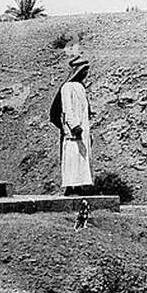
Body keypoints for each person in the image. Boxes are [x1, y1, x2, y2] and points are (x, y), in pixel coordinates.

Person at [51, 54, 93, 195]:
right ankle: (70, 186)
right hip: (73, 131)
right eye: (84, 70)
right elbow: (67, 109)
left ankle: (80, 186)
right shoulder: (67, 87)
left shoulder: (81, 87)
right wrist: (74, 126)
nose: (86, 74)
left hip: (83, 130)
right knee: (71, 157)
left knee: (81, 158)